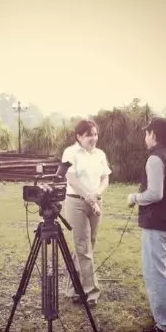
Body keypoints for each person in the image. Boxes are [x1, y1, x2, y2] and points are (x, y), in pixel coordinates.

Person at [127, 117, 166, 332]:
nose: (145, 137)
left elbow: (155, 194)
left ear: (153, 134)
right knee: (165, 271)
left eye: (146, 133)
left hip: (157, 225)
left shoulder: (155, 158)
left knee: (156, 274)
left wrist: (134, 197)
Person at [62, 119, 111, 306]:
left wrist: (97, 194)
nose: (93, 138)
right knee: (83, 247)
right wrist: (88, 197)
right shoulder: (70, 152)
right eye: (89, 134)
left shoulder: (100, 154)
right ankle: (91, 293)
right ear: (79, 136)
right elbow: (72, 179)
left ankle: (74, 289)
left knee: (88, 245)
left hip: (96, 201)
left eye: (95, 134)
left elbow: (105, 178)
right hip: (76, 203)